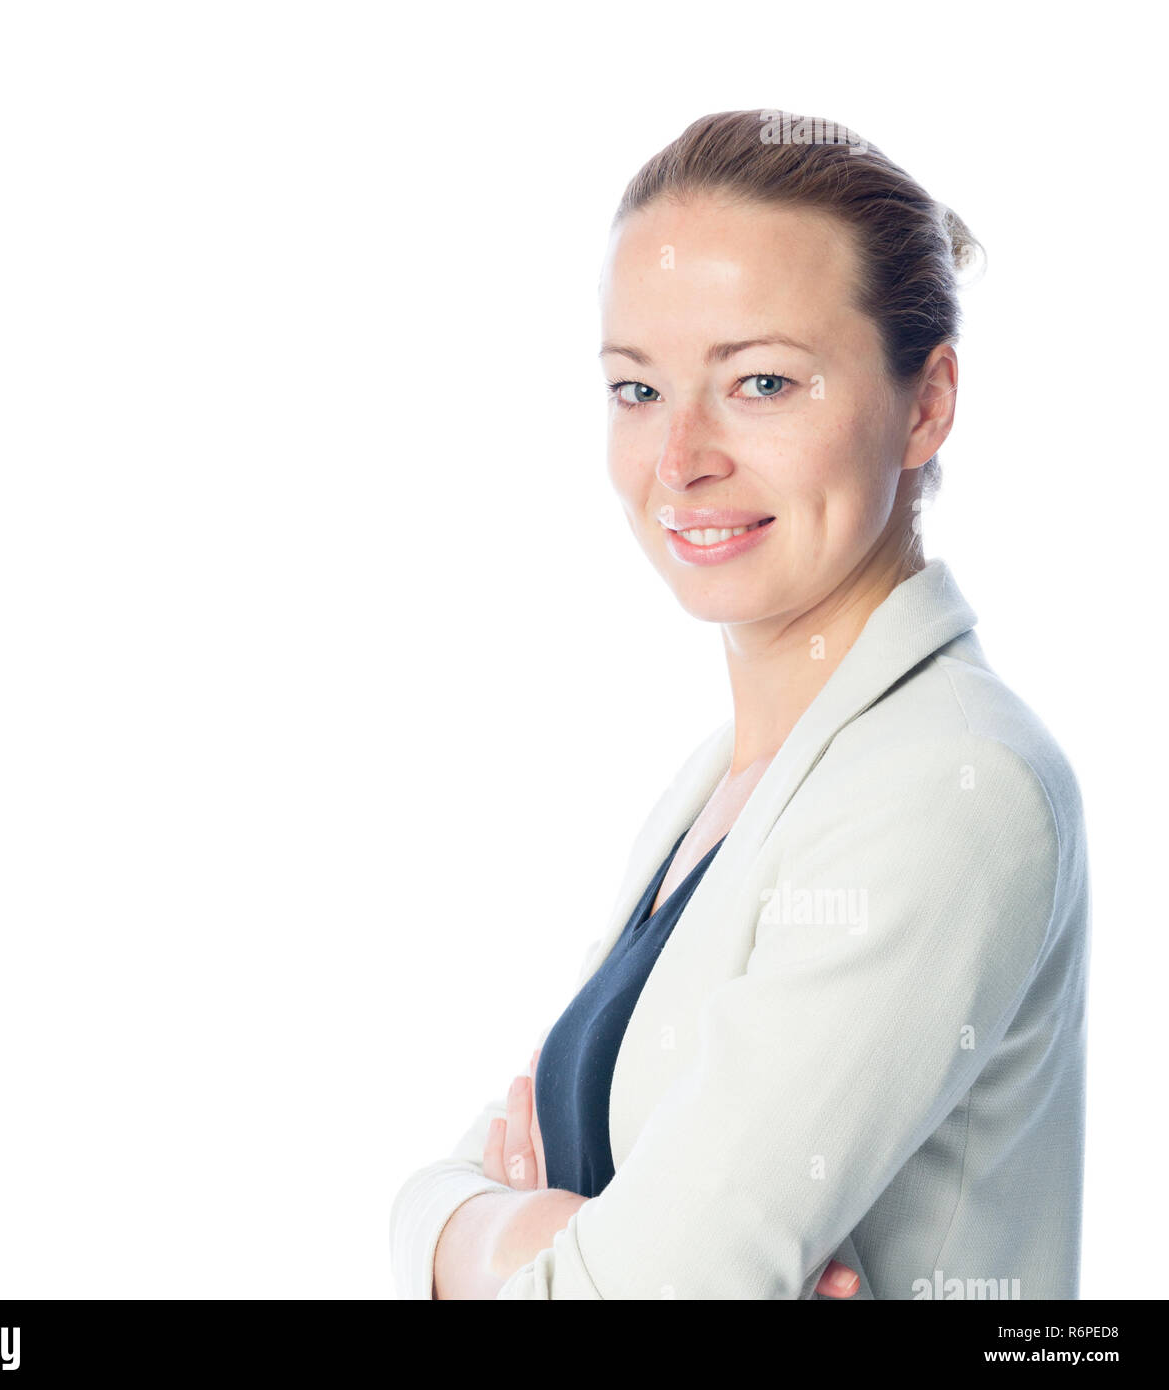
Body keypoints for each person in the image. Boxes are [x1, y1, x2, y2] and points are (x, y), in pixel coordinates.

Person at [390, 109, 1089, 1300]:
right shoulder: (719, 786)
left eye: (760, 381)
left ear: (925, 403)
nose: (679, 459)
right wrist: (506, 1235)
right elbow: (432, 1198)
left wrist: (507, 1240)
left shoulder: (943, 789)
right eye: (636, 389)